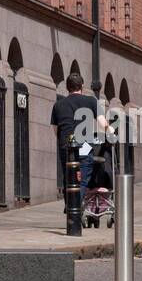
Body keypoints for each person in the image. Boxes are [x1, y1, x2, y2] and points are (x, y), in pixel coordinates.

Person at [50, 71, 107, 207]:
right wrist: (111, 132)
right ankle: (74, 206)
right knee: (81, 180)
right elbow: (103, 123)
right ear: (82, 85)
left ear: (67, 87)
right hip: (85, 147)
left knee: (68, 178)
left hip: (66, 146)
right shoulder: (91, 101)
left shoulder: (58, 105)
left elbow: (55, 130)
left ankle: (69, 208)